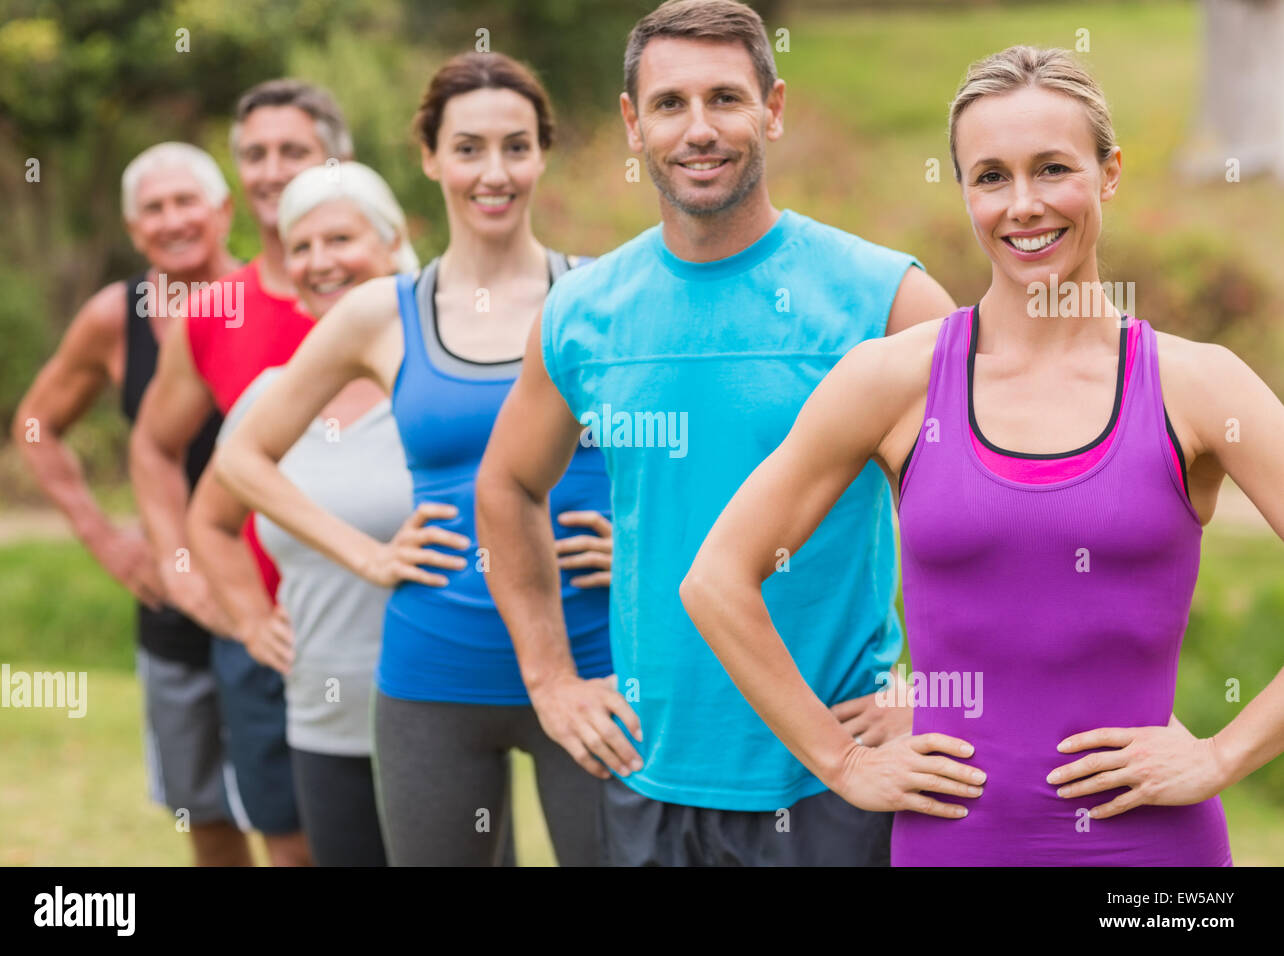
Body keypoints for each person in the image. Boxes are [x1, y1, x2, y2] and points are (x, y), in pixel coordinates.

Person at [681, 45, 1284, 866]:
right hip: (956, 846)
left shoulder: (1200, 386)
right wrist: (843, 761)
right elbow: (716, 578)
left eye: (1053, 169)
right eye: (991, 176)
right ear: (964, 189)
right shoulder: (892, 380)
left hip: (1156, 865)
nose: (1024, 205)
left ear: (1110, 174)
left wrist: (1222, 754)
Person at [475, 0, 955, 867]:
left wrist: (936, 689)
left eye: (726, 99)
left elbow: (976, 523)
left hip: (839, 777)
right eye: (670, 104)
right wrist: (549, 678)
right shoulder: (583, 313)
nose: (700, 129)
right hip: (650, 774)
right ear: (633, 124)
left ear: (773, 108)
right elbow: (507, 486)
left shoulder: (886, 300)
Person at [213, 52, 614, 867]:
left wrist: (648, 543)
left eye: (516, 146)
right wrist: (366, 553)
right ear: (429, 157)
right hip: (433, 673)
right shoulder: (379, 314)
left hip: (596, 666)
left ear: (543, 152)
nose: (493, 173)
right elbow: (242, 454)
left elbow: (702, 445)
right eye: (468, 148)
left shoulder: (606, 296)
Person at [129, 79, 354, 866]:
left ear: (337, 159)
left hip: (380, 620)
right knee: (287, 846)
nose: (270, 170)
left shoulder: (389, 292)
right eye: (253, 154)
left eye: (292, 150)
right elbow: (155, 445)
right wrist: (179, 561)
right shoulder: (219, 308)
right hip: (268, 632)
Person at [11, 142, 248, 865]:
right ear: (133, 227)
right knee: (203, 806)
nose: (173, 220)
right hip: (173, 604)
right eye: (154, 208)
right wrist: (108, 539)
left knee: (298, 807)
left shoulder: (275, 296)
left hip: (275, 587)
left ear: (223, 212)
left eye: (187, 203)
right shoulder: (116, 317)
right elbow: (34, 425)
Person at [187, 161, 418, 867]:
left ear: (392, 243)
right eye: (302, 247)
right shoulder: (268, 401)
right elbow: (210, 522)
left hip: (442, 712)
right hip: (322, 717)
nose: (320, 262)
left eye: (340, 239)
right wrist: (251, 621)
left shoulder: (439, 384)